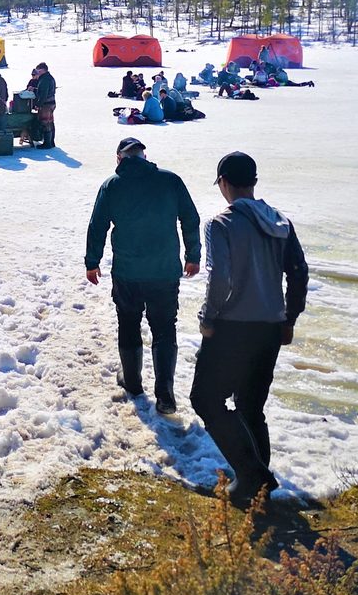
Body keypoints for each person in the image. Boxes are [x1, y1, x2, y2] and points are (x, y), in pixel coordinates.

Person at [191, 151, 308, 507]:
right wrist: (289, 318)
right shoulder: (280, 222)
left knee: (206, 399)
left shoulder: (220, 224)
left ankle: (253, 476)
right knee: (251, 406)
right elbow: (299, 272)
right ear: (254, 183)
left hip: (232, 328)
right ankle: (256, 488)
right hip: (270, 327)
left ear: (224, 182)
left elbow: (220, 278)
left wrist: (207, 318)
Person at [85, 138, 200, 413]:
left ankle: (133, 382)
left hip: (127, 272)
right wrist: (192, 256)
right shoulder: (170, 180)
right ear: (144, 156)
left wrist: (92, 262)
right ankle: (165, 395)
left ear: (119, 158)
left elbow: (97, 225)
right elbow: (190, 218)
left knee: (128, 323)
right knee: (164, 327)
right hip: (164, 270)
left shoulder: (112, 185)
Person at [32, 62, 57, 149]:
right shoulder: (49, 78)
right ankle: (51, 142)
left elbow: (43, 94)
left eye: (38, 70)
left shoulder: (45, 79)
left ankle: (47, 143)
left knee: (45, 122)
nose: (37, 72)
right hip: (51, 102)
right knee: (50, 122)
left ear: (42, 70)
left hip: (46, 104)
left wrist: (38, 104)